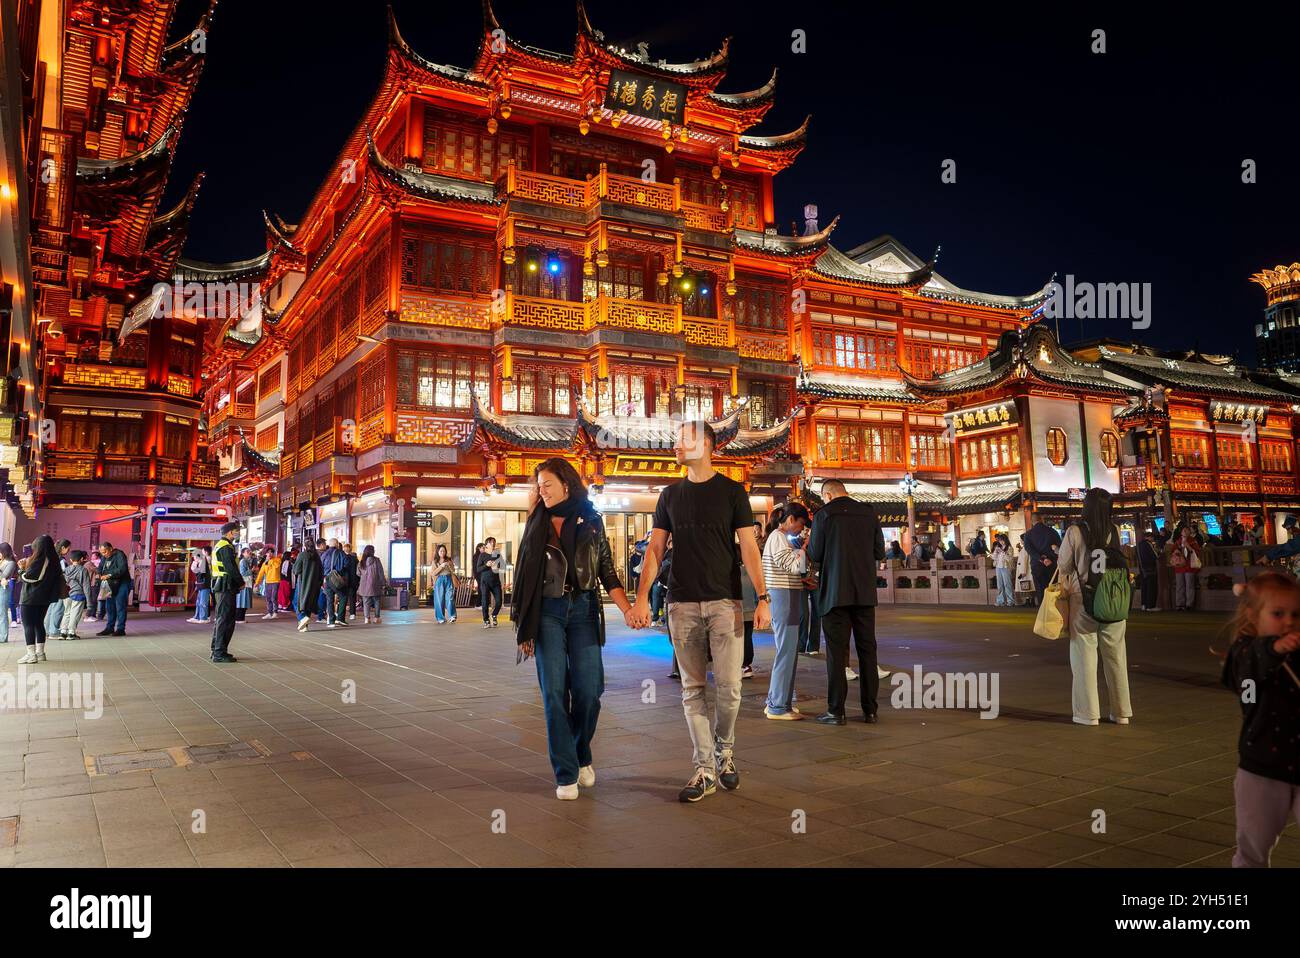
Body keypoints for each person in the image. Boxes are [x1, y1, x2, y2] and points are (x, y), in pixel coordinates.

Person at [631, 420, 770, 803]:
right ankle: (705, 767)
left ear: (706, 444)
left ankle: (725, 750)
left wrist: (763, 596)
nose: (676, 445)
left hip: (725, 601)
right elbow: (656, 550)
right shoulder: (670, 495)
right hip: (681, 602)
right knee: (692, 690)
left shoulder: (732, 492)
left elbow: (748, 548)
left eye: (683, 439)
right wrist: (643, 597)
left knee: (730, 688)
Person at [513, 458, 635, 801]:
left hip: (583, 610)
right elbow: (524, 577)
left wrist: (626, 609)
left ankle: (581, 752)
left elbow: (607, 571)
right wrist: (525, 629)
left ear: (566, 484)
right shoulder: (535, 522)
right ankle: (565, 772)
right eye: (539, 486)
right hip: (546, 612)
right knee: (553, 692)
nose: (542, 491)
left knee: (589, 690)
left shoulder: (592, 520)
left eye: (547, 484)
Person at [1220, 571, 1300, 867]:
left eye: (1296, 613)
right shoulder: (1245, 651)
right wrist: (1275, 649)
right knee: (1253, 847)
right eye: (1278, 614)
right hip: (1262, 766)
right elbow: (1244, 670)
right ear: (1253, 616)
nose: (1289, 621)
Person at [807, 479, 886, 724]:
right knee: (867, 651)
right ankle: (870, 710)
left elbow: (815, 553)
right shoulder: (868, 513)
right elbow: (879, 552)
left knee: (836, 653)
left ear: (828, 495)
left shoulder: (824, 515)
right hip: (864, 593)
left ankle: (836, 710)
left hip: (834, 594)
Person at [1055, 488, 1133, 726]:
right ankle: (1121, 712)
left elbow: (1064, 566)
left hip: (1084, 599)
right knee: (1117, 657)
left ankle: (1087, 714)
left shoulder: (1075, 532)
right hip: (1113, 597)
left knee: (1084, 658)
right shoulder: (1116, 531)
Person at [762, 502, 812, 720]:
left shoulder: (779, 537)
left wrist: (803, 578)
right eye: (801, 524)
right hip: (783, 596)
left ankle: (781, 701)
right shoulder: (778, 537)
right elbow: (792, 565)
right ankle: (778, 706)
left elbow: (791, 569)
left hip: (785, 594)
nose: (801, 529)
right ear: (791, 519)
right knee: (786, 650)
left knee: (787, 650)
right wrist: (805, 548)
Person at [17, 536, 64, 663]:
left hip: (31, 598)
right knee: (38, 624)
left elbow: (31, 577)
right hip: (44, 598)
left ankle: (31, 655)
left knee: (28, 625)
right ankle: (40, 653)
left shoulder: (42, 560)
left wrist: (21, 570)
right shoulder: (54, 560)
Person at [208, 523, 244, 663]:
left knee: (221, 618)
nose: (237, 534)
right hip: (225, 586)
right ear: (229, 533)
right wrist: (241, 582)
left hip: (221, 585)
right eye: (236, 532)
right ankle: (219, 653)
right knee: (225, 619)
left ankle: (216, 649)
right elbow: (231, 568)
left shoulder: (220, 545)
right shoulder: (226, 547)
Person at [1024, 512, 1061, 605]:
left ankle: (1043, 612)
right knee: (1053, 589)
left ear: (1032, 521)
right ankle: (1054, 611)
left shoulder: (1028, 535)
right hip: (1052, 565)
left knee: (1040, 590)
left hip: (1037, 565)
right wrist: (1049, 558)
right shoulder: (1052, 532)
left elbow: (1029, 550)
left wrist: (1041, 559)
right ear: (1041, 519)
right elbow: (1060, 547)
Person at [96, 541, 130, 636]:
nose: (103, 554)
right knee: (109, 606)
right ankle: (109, 628)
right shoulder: (104, 557)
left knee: (120, 605)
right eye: (102, 552)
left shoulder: (119, 554)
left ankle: (120, 629)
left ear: (110, 549)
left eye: (105, 552)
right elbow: (100, 567)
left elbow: (122, 569)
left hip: (122, 583)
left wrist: (109, 575)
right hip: (110, 584)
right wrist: (99, 574)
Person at [58, 551, 91, 640]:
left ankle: (63, 632)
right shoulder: (83, 570)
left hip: (67, 594)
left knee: (67, 613)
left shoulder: (66, 569)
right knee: (75, 614)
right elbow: (86, 586)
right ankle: (71, 633)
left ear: (71, 560)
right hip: (78, 594)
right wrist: (89, 602)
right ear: (81, 559)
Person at [43, 539, 72, 639]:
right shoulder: (61, 560)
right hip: (59, 586)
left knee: (51, 609)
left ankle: (47, 630)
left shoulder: (51, 557)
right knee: (58, 609)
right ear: (63, 548)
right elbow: (64, 574)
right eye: (68, 548)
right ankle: (54, 632)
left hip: (50, 586)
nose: (68, 550)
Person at [293, 540, 324, 632]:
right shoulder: (317, 556)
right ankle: (304, 626)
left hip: (302, 583)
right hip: (314, 584)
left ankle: (302, 618)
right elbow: (321, 571)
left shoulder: (302, 555)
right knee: (308, 603)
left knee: (297, 602)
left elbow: (296, 570)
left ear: (305, 546)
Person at [320, 538, 350, 628]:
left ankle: (331, 621)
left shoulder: (324, 554)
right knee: (343, 596)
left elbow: (321, 566)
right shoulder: (341, 553)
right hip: (337, 579)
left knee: (329, 599)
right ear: (337, 544)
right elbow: (346, 564)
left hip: (327, 579)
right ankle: (340, 618)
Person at [1171, 526, 1202, 611]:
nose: (1184, 531)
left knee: (1189, 585)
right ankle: (1179, 604)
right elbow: (1172, 550)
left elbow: (1197, 552)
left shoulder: (1192, 541)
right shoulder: (1177, 541)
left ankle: (1189, 604)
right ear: (1181, 532)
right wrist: (1176, 551)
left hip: (1189, 566)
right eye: (1183, 530)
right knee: (1179, 586)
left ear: (1189, 532)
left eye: (1186, 530)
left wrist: (1189, 547)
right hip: (1179, 566)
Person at [355, 544, 388, 624]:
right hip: (375, 584)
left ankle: (367, 618)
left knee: (366, 602)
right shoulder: (377, 560)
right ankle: (377, 618)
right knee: (377, 601)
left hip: (364, 585)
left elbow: (358, 573)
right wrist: (383, 583)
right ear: (372, 551)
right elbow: (380, 573)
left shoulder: (361, 562)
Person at [739, 544, 757, 679]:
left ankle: (739, 665)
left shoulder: (731, 572)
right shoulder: (750, 571)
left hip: (735, 611)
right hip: (750, 611)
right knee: (747, 637)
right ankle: (747, 665)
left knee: (736, 639)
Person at [479, 537, 504, 628]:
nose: (493, 544)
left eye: (494, 542)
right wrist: (486, 565)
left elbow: (502, 567)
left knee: (499, 602)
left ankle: (494, 614)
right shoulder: (482, 555)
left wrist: (498, 565)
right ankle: (486, 620)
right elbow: (478, 569)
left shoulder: (497, 554)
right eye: (491, 542)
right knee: (485, 602)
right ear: (487, 545)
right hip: (485, 582)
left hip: (495, 582)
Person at [1136, 528, 1160, 611]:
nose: (1153, 539)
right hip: (1150, 569)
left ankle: (1143, 605)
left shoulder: (1139, 545)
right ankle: (1151, 606)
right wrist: (1158, 552)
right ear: (1149, 537)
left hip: (1142, 569)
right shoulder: (1148, 544)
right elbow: (1155, 556)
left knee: (1144, 587)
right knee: (1151, 587)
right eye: (1152, 538)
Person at [188, 547, 212, 624]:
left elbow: (200, 573)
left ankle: (204, 617)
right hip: (201, 584)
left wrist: (195, 566)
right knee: (199, 602)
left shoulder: (204, 561)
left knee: (203, 602)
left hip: (205, 584)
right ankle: (197, 617)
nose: (194, 558)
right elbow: (196, 572)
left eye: (194, 556)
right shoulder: (200, 562)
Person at [255, 549, 282, 619]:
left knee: (274, 597)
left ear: (273, 553)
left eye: (270, 553)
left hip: (275, 581)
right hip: (268, 582)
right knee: (268, 598)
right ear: (266, 554)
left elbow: (276, 566)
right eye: (267, 553)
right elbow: (261, 573)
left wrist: (270, 560)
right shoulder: (265, 563)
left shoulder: (277, 560)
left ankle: (275, 612)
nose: (269, 554)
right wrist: (257, 582)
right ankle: (270, 613)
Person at [990, 532, 1015, 606]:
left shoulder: (1009, 548)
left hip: (1006, 567)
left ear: (1006, 540)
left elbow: (1010, 559)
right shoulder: (998, 547)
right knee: (1000, 585)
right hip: (998, 567)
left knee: (1007, 584)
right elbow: (993, 557)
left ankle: (1010, 601)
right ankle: (1001, 601)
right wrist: (995, 552)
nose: (1001, 542)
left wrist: (1003, 552)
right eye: (1000, 540)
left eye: (1002, 540)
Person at [0, 543, 15, 643]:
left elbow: (4, 576)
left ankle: (3, 636)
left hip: (3, 589)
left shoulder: (11, 563)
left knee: (2, 613)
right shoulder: (2, 561)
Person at [1014, 536, 1035, 606]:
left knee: (1026, 585)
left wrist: (1023, 572)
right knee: (1030, 586)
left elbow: (1023, 561)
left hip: (1025, 571)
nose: (1020, 541)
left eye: (1021, 540)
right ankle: (1032, 601)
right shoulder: (1031, 547)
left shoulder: (1025, 549)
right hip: (1029, 570)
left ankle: (1028, 601)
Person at [344, 543, 361, 620]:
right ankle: (352, 613)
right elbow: (358, 571)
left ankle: (341, 613)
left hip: (344, 581)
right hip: (353, 580)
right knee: (352, 597)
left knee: (343, 597)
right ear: (351, 549)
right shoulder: (355, 559)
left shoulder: (342, 557)